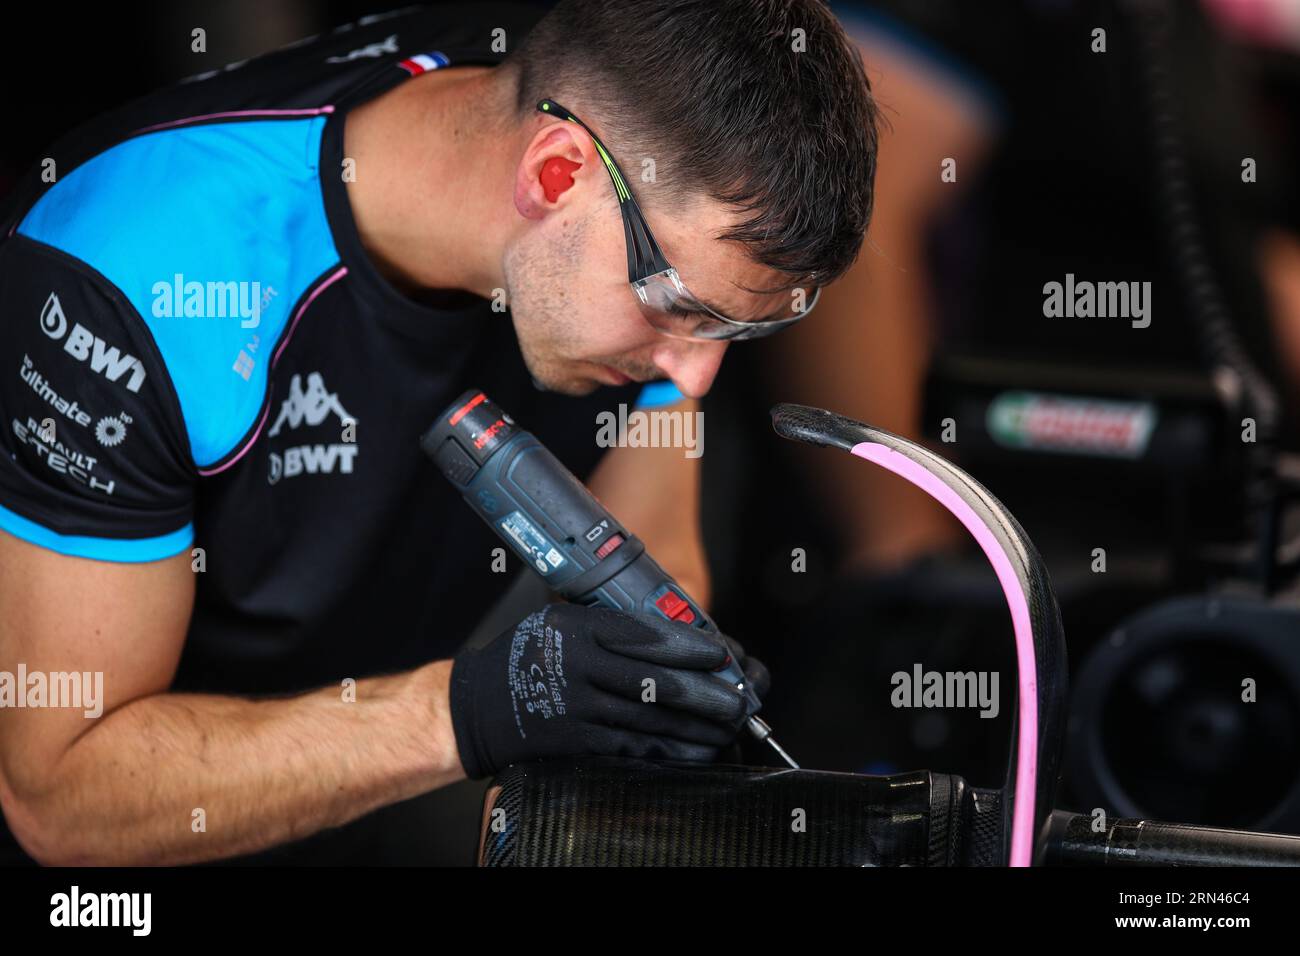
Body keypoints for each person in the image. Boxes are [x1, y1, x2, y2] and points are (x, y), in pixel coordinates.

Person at [0, 1, 879, 864]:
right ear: (556, 176)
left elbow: (656, 563)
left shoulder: (624, 130)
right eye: (682, 310)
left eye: (733, 330)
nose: (694, 378)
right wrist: (473, 711)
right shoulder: (129, 284)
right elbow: (61, 798)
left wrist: (658, 682)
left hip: (358, 741)